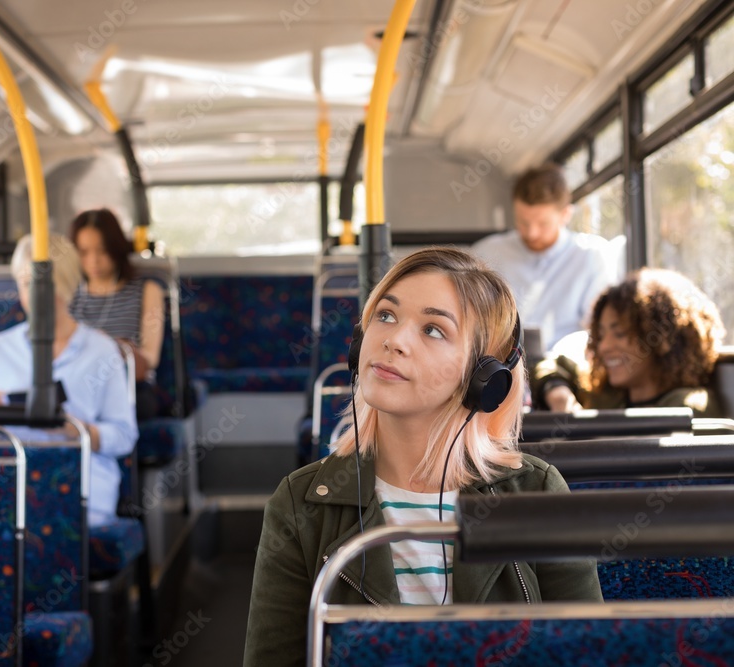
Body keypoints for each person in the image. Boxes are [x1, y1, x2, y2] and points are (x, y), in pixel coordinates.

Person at [244, 247, 602, 666]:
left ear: (481, 379)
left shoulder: (538, 494)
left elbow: (585, 653)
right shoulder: (301, 504)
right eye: (386, 316)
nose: (393, 340)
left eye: (433, 329)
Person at [0, 233, 138, 528]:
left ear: (68, 286)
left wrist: (77, 430)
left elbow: (124, 436)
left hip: (81, 486)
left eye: (46, 286)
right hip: (12, 485)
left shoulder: (102, 351)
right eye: (26, 284)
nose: (36, 296)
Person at [534, 268, 727, 417]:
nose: (603, 346)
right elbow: (553, 365)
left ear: (662, 338)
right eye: (601, 335)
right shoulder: (607, 395)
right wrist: (558, 393)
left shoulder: (690, 407)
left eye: (620, 334)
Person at [472, 163, 614, 351]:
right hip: (498, 366)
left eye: (543, 224)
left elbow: (598, 328)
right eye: (523, 222)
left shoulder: (591, 256)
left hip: (568, 367)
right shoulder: (486, 253)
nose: (532, 233)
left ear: (566, 215)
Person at [69, 208, 166, 420]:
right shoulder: (68, 294)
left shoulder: (148, 291)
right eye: (84, 252)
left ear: (116, 248)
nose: (93, 261)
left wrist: (112, 348)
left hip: (129, 385)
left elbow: (150, 358)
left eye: (102, 251)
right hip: (77, 384)